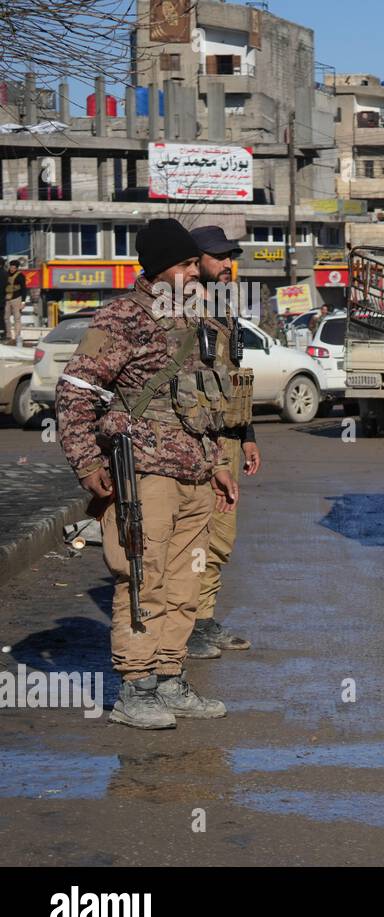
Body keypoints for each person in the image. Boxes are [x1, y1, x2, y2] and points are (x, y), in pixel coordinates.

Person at [55, 218, 238, 730]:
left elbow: (209, 400)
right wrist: (88, 463)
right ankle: (134, 689)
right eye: (184, 265)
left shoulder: (195, 318)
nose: (193, 273)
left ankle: (169, 678)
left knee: (186, 583)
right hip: (145, 475)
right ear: (159, 268)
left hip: (196, 477)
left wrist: (220, 464)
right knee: (142, 580)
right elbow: (75, 391)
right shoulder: (122, 318)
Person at [187, 225, 259, 658]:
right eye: (219, 257)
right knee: (197, 537)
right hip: (198, 443)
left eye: (231, 256)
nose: (228, 264)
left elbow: (234, 383)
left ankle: (204, 618)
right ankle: (188, 624)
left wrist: (247, 436)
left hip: (228, 440)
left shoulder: (224, 310)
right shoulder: (182, 313)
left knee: (221, 538)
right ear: (196, 263)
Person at [5, 260, 28, 345]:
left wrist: (23, 301)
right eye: (11, 267)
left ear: (17, 268)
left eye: (14, 267)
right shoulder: (5, 274)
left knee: (17, 318)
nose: (12, 269)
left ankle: (17, 336)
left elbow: (24, 289)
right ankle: (8, 336)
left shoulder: (20, 276)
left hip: (17, 299)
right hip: (6, 299)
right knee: (6, 318)